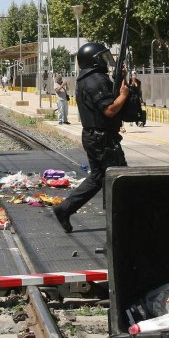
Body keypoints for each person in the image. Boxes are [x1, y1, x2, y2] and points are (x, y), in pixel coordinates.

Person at [53, 43, 130, 233]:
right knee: (119, 177)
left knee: (98, 177)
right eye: (102, 57)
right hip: (101, 138)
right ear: (93, 60)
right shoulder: (95, 80)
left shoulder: (88, 78)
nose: (105, 61)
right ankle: (122, 218)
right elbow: (110, 109)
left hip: (95, 136)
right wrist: (124, 95)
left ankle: (65, 208)